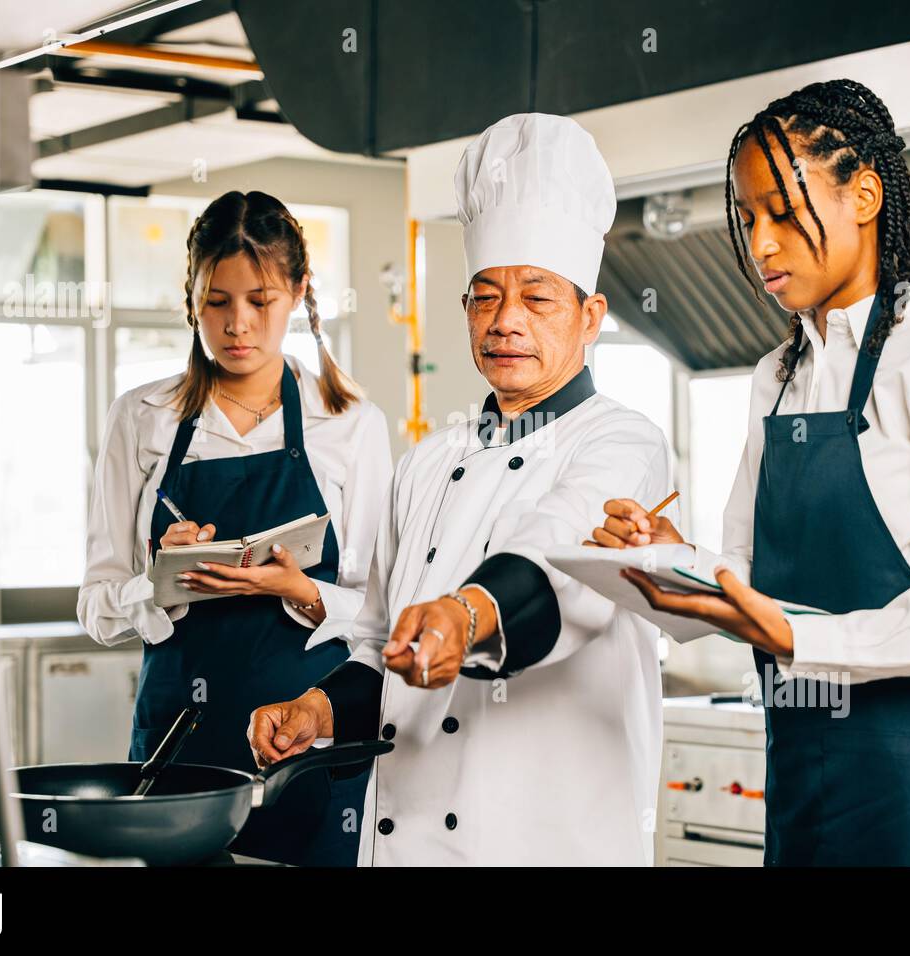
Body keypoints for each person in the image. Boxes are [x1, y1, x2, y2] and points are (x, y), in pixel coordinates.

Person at [595, 79, 910, 866]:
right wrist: (671, 557)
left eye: (784, 211)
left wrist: (796, 635)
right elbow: (744, 577)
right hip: (802, 775)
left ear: (865, 195)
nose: (762, 244)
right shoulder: (775, 375)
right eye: (748, 219)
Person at [249, 113, 675, 865]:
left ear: (590, 319)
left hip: (551, 845)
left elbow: (556, 556)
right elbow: (379, 638)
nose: (505, 321)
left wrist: (461, 614)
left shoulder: (623, 442)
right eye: (485, 297)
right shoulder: (425, 463)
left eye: (537, 299)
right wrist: (318, 707)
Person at [78, 190, 392, 865]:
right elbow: (97, 608)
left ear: (299, 291)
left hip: (304, 749)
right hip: (179, 747)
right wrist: (161, 583)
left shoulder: (350, 423)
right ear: (191, 300)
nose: (237, 325)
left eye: (261, 301)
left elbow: (377, 613)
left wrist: (298, 591)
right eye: (217, 302)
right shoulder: (142, 418)